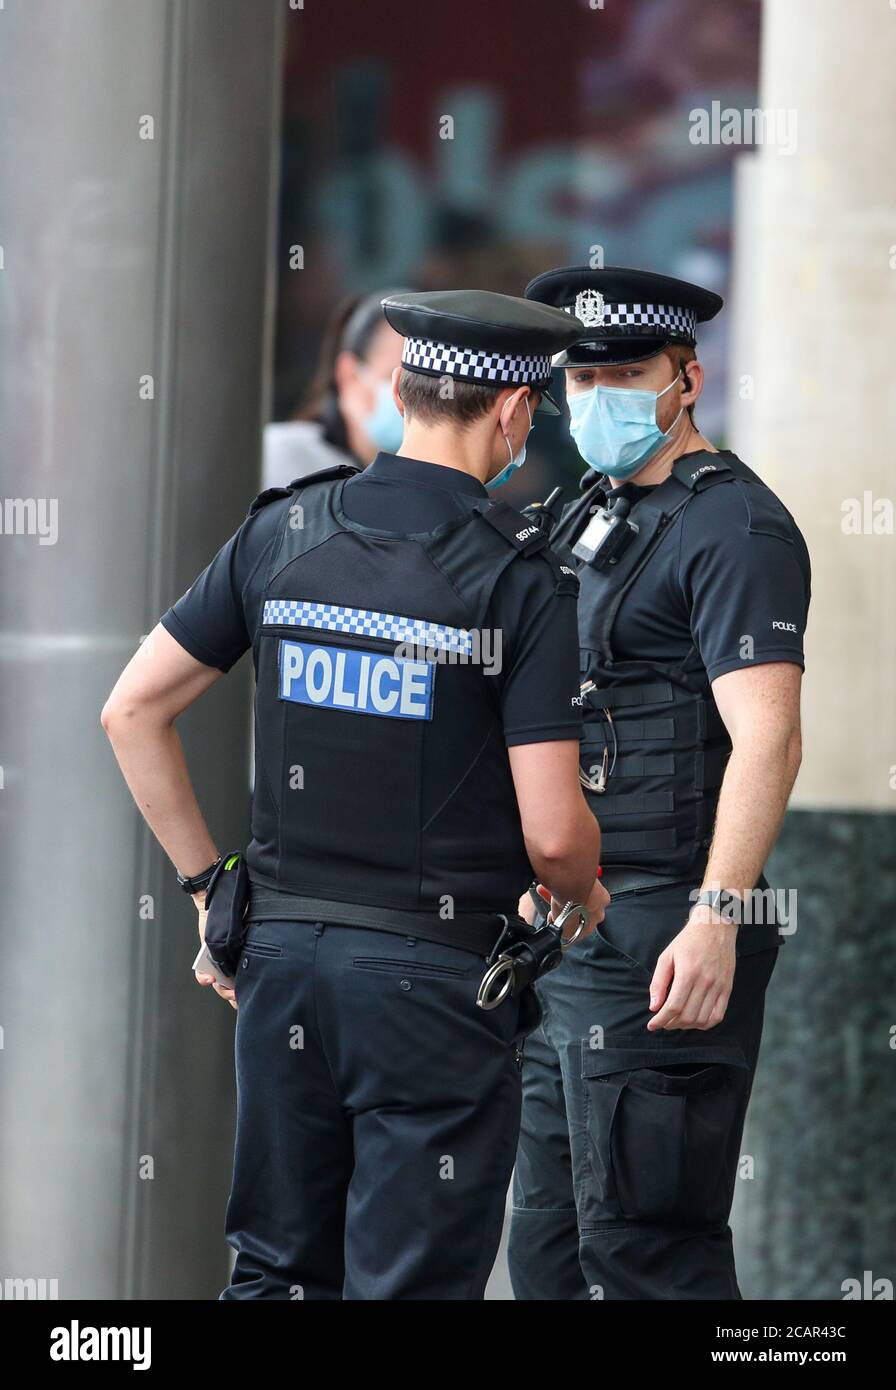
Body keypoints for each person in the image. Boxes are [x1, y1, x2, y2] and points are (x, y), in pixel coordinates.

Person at [100, 288, 610, 1301]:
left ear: (397, 390)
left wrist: (211, 886)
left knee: (279, 1274)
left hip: (282, 967)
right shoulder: (520, 580)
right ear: (511, 412)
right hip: (431, 985)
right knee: (407, 1281)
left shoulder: (284, 533)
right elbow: (554, 836)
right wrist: (585, 895)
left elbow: (131, 712)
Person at [509, 265, 811, 1300]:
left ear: (686, 377)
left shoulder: (735, 528)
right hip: (572, 926)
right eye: (580, 379)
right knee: (548, 1253)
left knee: (648, 1252)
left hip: (668, 924)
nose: (598, 399)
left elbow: (767, 737)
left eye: (626, 374)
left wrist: (718, 913)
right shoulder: (581, 510)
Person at [263, 287, 410, 487]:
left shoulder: (430, 484)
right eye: (401, 382)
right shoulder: (278, 457)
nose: (413, 398)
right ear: (349, 376)